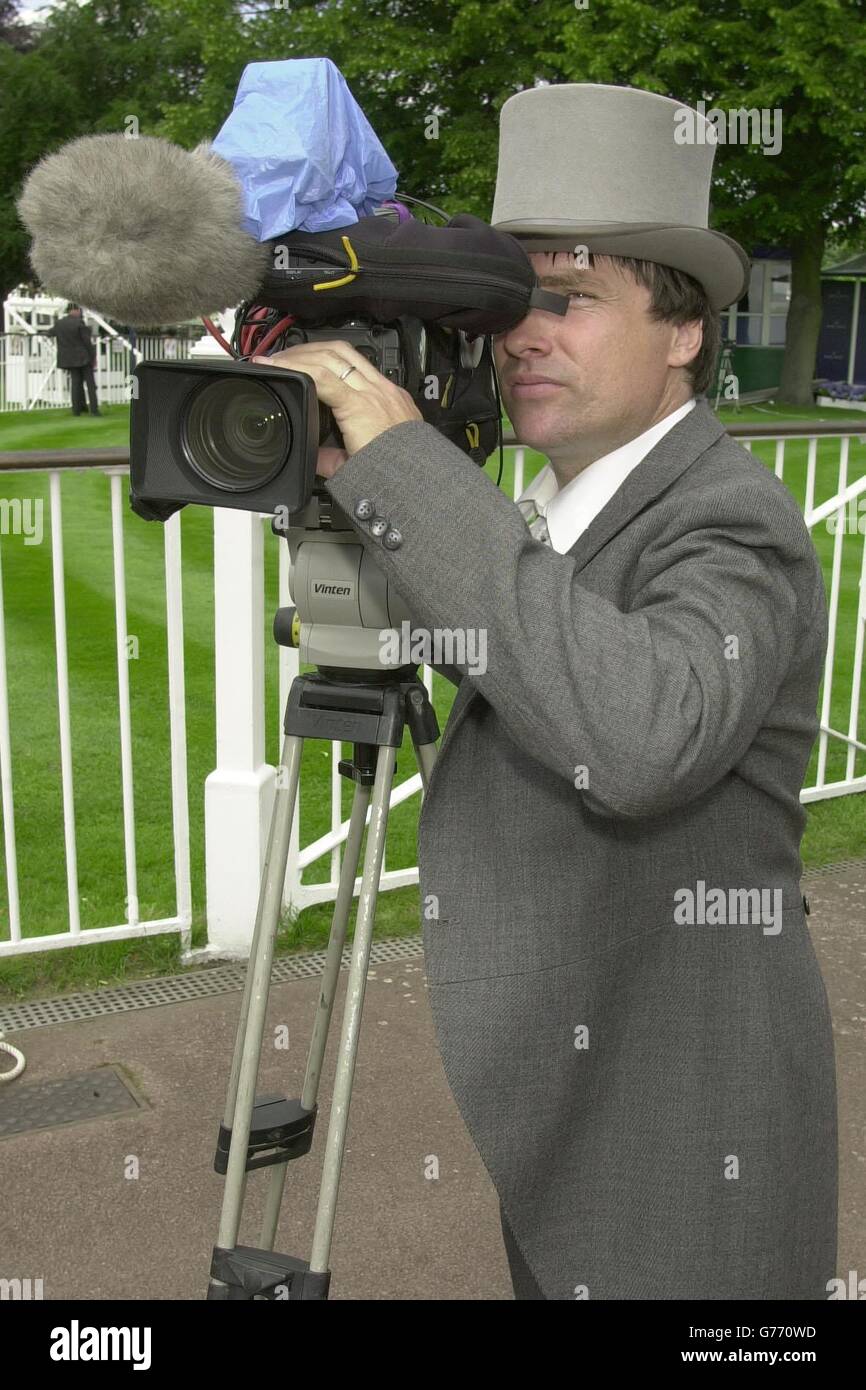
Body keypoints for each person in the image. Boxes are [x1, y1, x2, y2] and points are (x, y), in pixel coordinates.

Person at [256, 84, 838, 1300]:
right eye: (512, 304)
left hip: (683, 1146)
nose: (520, 337)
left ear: (682, 332)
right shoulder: (567, 514)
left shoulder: (729, 516)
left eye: (566, 303)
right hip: (572, 1122)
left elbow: (635, 736)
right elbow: (529, 635)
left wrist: (410, 469)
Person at [40, 302, 101, 416]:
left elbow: (49, 333)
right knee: (90, 384)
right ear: (76, 310)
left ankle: (76, 410)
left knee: (75, 384)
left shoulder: (59, 323)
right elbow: (87, 342)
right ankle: (94, 410)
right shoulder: (79, 323)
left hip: (69, 358)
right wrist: (93, 357)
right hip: (83, 357)